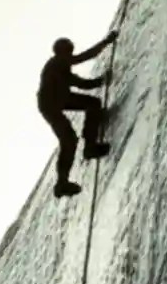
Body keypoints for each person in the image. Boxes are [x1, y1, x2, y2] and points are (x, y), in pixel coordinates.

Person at [38, 30, 118, 198]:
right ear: (62, 52)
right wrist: (106, 42)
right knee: (69, 139)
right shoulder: (57, 63)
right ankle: (86, 151)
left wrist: (99, 81)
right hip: (52, 104)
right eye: (69, 51)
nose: (71, 55)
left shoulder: (59, 67)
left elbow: (79, 82)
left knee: (92, 106)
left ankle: (89, 145)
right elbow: (83, 60)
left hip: (56, 101)